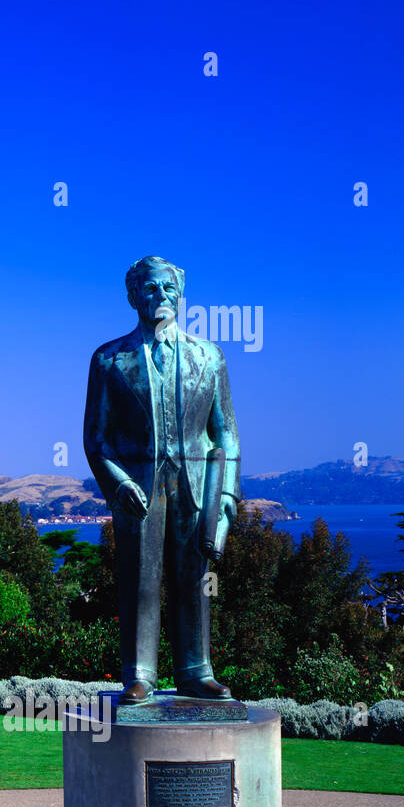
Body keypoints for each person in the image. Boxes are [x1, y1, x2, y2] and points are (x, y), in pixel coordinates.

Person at [83, 256, 241, 702]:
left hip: (195, 486)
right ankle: (139, 674)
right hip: (138, 490)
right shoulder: (109, 361)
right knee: (140, 580)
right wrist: (116, 484)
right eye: (151, 289)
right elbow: (96, 439)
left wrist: (225, 498)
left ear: (181, 294)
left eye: (169, 289)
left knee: (193, 579)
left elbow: (225, 433)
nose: (161, 297)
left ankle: (196, 671)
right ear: (133, 295)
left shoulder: (210, 357)